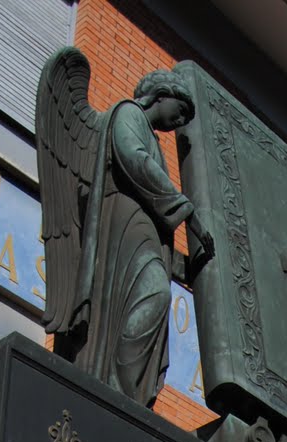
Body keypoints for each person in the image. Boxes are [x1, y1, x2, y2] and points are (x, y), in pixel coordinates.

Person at [37, 52, 215, 407]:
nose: (179, 121)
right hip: (124, 227)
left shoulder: (151, 136)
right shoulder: (127, 114)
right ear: (161, 96)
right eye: (179, 111)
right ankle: (117, 390)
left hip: (142, 233)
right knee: (154, 298)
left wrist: (188, 267)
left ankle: (127, 396)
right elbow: (135, 160)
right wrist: (187, 212)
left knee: (152, 300)